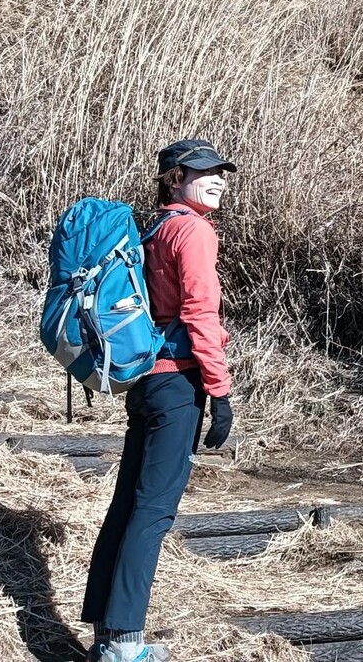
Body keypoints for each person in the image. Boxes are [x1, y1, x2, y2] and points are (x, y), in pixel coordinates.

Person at [80, 138, 238, 662]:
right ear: (174, 178)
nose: (217, 178)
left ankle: (107, 632)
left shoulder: (155, 229)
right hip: (177, 386)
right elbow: (199, 314)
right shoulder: (192, 230)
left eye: (221, 171)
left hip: (146, 381)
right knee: (153, 513)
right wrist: (219, 391)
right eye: (203, 171)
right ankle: (124, 646)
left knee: (129, 504)